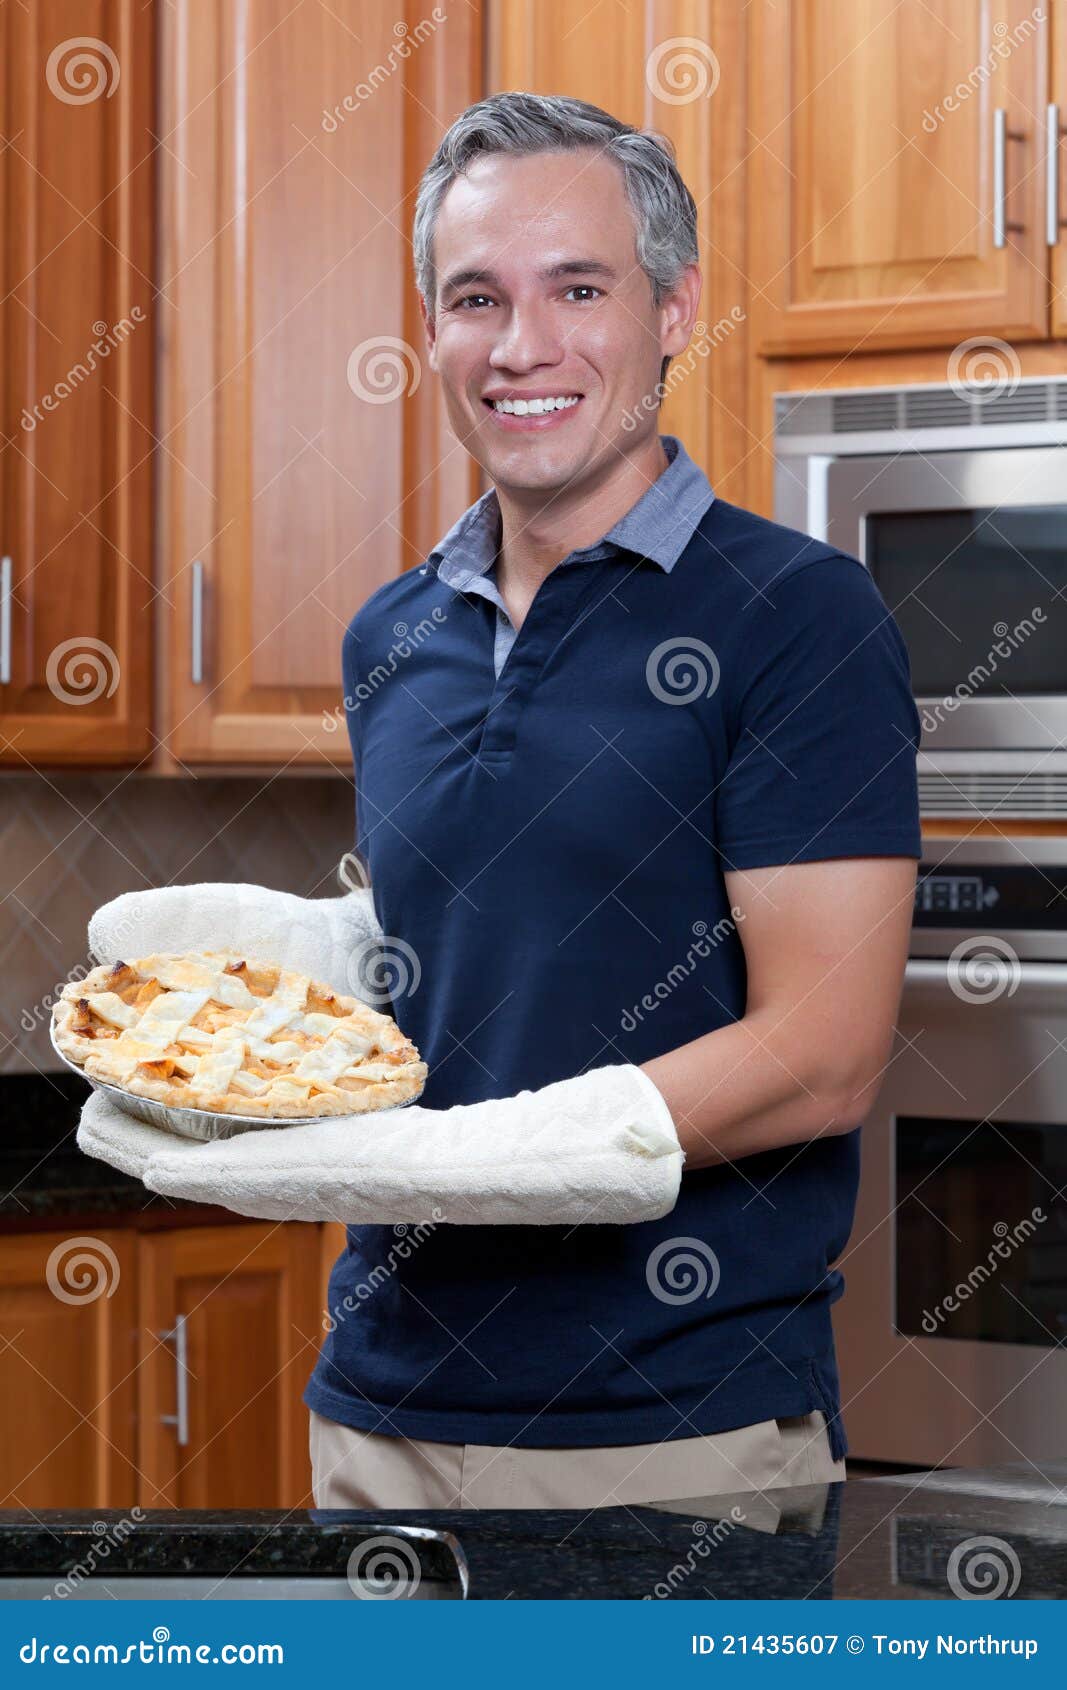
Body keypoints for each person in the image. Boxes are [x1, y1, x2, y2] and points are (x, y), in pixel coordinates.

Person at [302, 91, 921, 1509]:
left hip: (667, 1432)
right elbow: (451, 979)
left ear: (673, 309)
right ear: (433, 329)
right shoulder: (388, 635)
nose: (522, 347)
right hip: (377, 1414)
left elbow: (825, 1051)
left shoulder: (796, 620)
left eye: (578, 288)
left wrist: (482, 1155)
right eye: (476, 298)